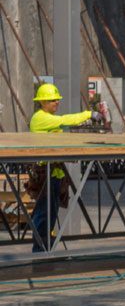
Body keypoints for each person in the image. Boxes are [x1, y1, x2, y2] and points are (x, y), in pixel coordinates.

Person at [28, 82, 101, 252]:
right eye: (52, 100)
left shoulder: (49, 119)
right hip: (45, 173)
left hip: (54, 172)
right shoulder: (40, 118)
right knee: (44, 212)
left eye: (57, 99)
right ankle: (39, 249)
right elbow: (63, 120)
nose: (57, 102)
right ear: (42, 102)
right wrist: (88, 114)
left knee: (51, 212)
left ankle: (45, 246)